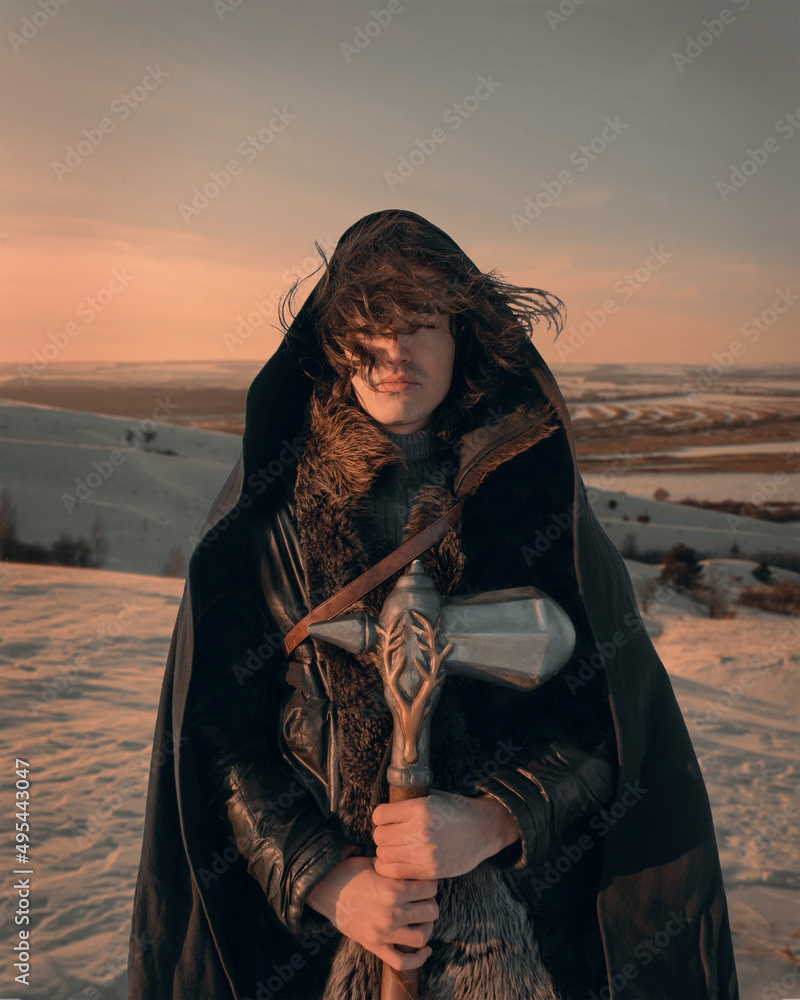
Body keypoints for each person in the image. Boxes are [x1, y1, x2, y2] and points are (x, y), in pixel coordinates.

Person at [127, 208, 739, 1000]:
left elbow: (606, 728)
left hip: (523, 940)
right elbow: (220, 740)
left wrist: (491, 822)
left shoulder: (532, 499)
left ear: (464, 334)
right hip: (318, 950)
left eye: (419, 324)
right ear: (335, 347)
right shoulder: (272, 522)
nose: (393, 353)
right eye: (368, 331)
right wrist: (326, 878)